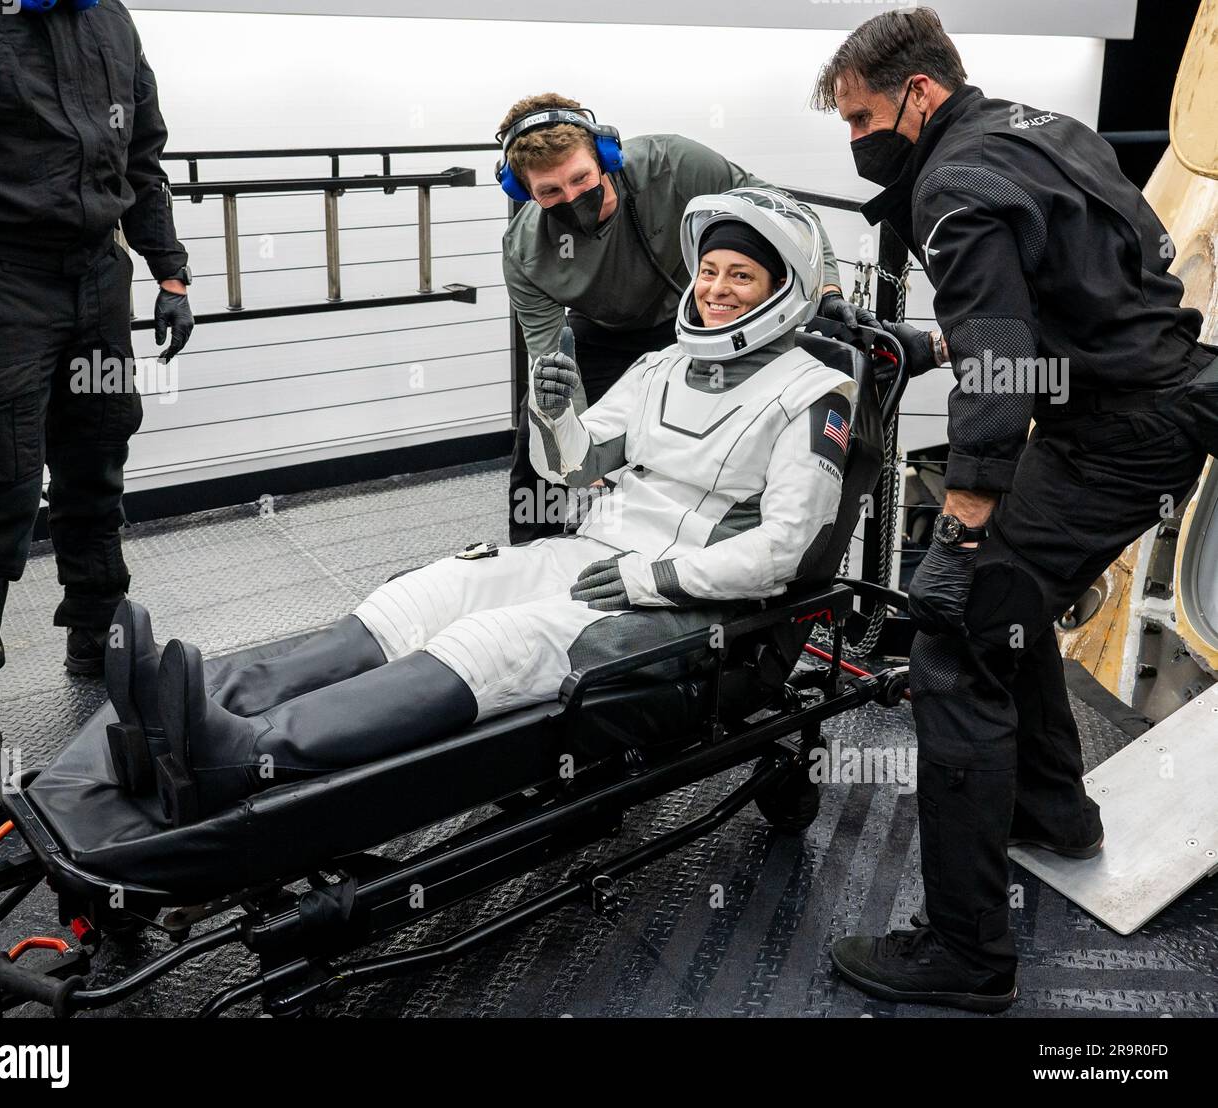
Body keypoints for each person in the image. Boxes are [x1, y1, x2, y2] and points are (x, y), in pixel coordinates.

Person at [103, 189, 860, 829]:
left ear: (781, 291)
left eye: (742, 276)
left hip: (691, 609)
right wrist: (553, 412)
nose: (716, 288)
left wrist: (653, 581)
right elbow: (575, 462)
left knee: (497, 640)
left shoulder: (812, 395)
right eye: (710, 270)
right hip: (591, 557)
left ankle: (242, 753)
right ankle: (194, 710)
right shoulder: (665, 363)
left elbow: (784, 551)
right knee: (433, 592)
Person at [812, 7, 1211, 1012]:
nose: (854, 142)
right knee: (1009, 602)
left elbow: (998, 374)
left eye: (860, 118)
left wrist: (959, 524)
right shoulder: (1042, 128)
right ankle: (1054, 812)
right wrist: (933, 339)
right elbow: (1109, 280)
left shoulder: (953, 184)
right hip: (1156, 399)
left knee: (954, 637)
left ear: (919, 95)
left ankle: (965, 950)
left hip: (1116, 438)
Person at [0, 0, 193, 858]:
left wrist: (170, 271)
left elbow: (142, 155)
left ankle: (97, 641)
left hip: (94, 279)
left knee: (96, 466)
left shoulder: (108, 18)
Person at [498, 93, 870, 544]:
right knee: (535, 438)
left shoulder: (673, 164)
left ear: (604, 157)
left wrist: (827, 290)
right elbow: (552, 358)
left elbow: (782, 210)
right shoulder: (524, 250)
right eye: (550, 192)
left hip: (693, 326)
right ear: (525, 193)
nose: (573, 197)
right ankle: (529, 552)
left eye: (580, 178)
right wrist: (576, 457)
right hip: (601, 334)